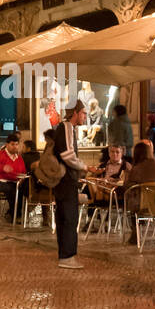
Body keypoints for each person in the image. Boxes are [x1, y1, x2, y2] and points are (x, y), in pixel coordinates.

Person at [49, 98, 88, 269]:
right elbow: (68, 155)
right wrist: (86, 167)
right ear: (76, 113)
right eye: (83, 113)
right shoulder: (66, 127)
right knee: (69, 218)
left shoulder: (65, 128)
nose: (85, 116)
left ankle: (65, 255)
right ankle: (67, 256)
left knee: (66, 217)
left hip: (64, 181)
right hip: (66, 180)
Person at [123, 139, 155, 245]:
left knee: (131, 200)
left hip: (143, 206)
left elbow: (128, 187)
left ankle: (135, 234)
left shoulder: (136, 169)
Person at [0, 134, 28, 222]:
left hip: (13, 182)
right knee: (12, 189)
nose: (15, 147)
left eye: (16, 144)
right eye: (12, 144)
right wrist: (3, 168)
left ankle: (13, 213)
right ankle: (15, 216)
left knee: (23, 189)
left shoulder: (19, 158)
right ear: (7, 144)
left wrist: (22, 178)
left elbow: (23, 171)